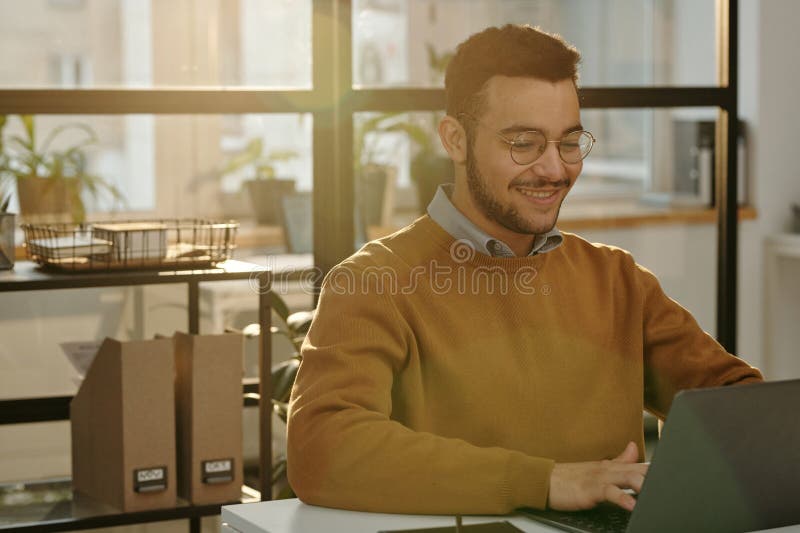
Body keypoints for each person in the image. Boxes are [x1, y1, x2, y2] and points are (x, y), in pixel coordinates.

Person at [286, 24, 762, 516]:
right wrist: (545, 482)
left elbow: (742, 407)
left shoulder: (618, 280)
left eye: (569, 142)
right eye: (525, 143)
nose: (555, 169)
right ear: (455, 139)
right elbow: (322, 448)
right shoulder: (373, 282)